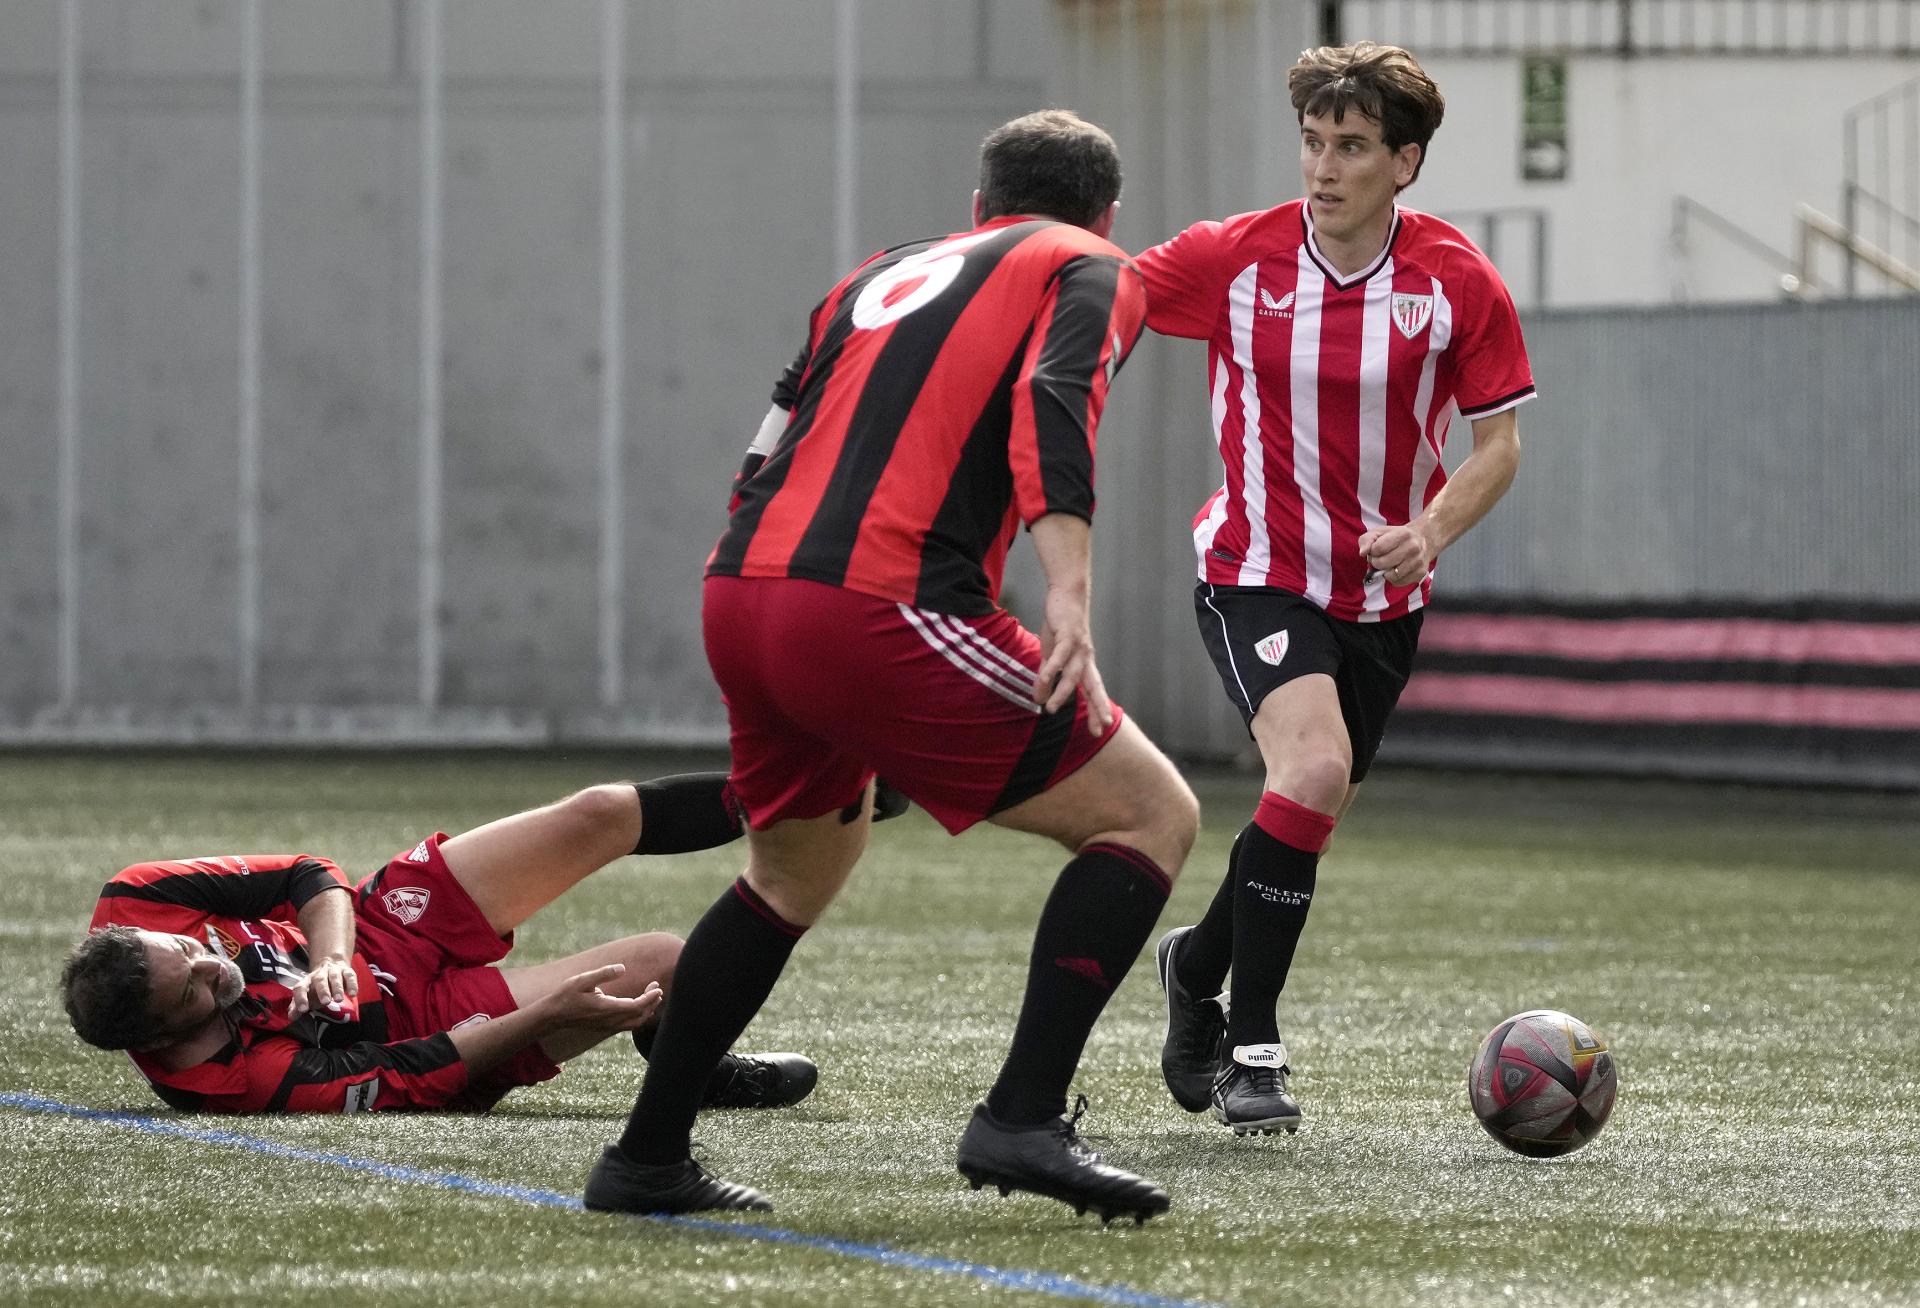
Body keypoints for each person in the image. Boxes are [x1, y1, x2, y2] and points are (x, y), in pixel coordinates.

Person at [583, 110, 1199, 1223]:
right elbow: (1054, 401)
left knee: (789, 875)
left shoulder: (878, 272)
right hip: (873, 602)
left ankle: (645, 1160)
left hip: (743, 588)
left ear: (980, 208)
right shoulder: (1091, 264)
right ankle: (1021, 1118)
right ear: (1106, 215)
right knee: (1151, 817)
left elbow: (771, 434)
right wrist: (1068, 588)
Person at [1132, 43, 1533, 1136]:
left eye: (1351, 146)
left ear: (1404, 163)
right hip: (1253, 571)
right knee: (1311, 769)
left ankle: (1196, 964)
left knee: (1307, 809)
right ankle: (1251, 1050)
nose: (1323, 166)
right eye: (1313, 142)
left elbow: (1498, 444)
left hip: (1383, 598)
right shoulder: (1236, 258)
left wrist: (1432, 527)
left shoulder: (1456, 280)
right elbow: (1107, 291)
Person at [59, 772, 823, 1115]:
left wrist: (329, 958)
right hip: (428, 1025)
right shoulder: (226, 1084)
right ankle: (695, 1069)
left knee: (595, 812)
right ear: (160, 1036)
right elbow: (409, 1078)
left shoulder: (138, 897)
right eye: (193, 990)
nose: (210, 963)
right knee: (662, 960)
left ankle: (811, 793)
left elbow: (307, 874)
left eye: (190, 951)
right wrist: (547, 1013)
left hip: (384, 925)